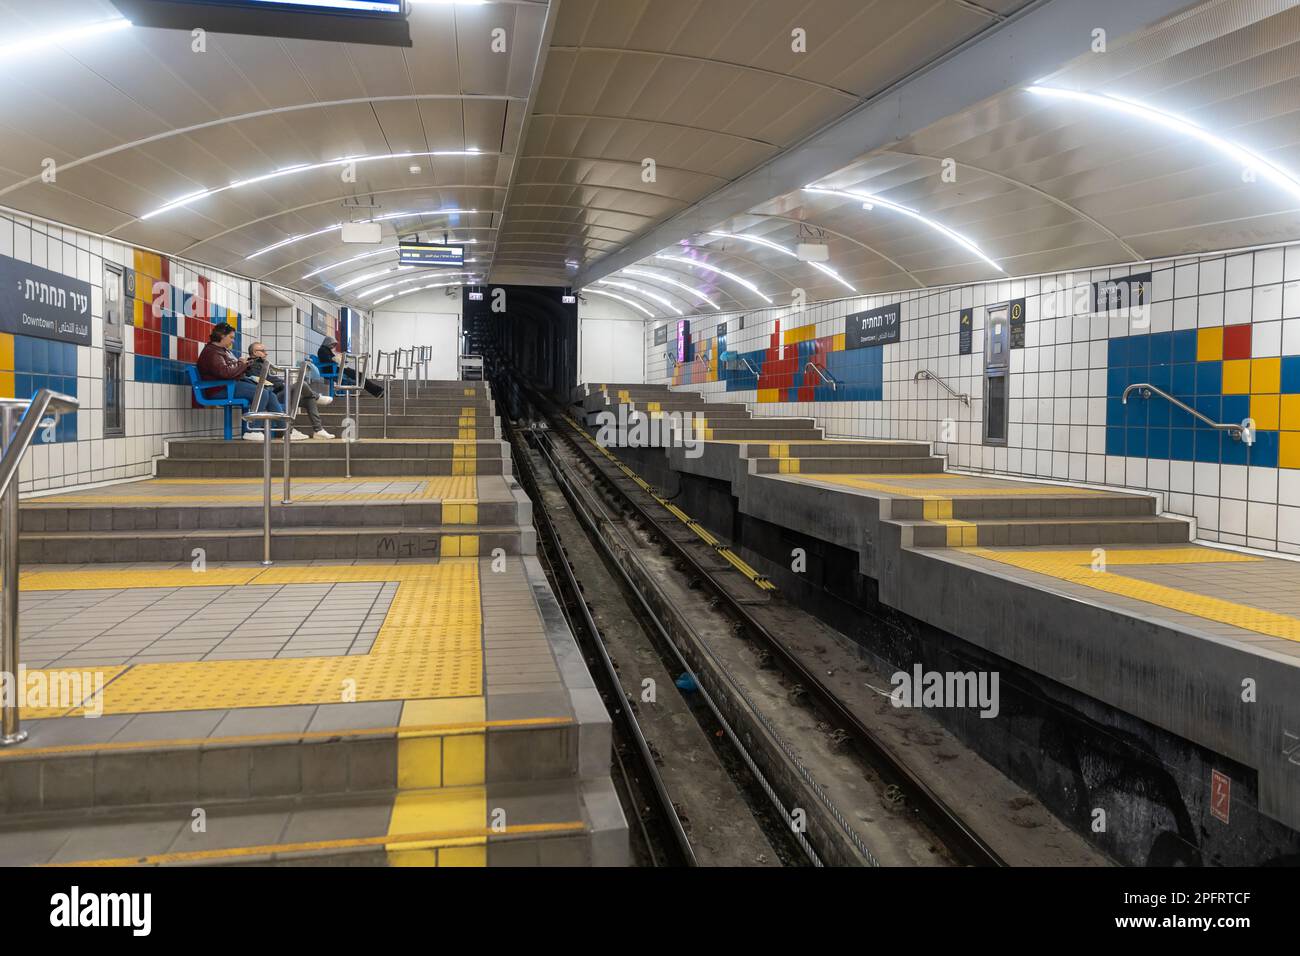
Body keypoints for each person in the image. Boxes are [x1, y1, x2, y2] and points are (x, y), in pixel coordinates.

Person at [197, 323, 301, 441]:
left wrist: (242, 363)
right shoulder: (212, 352)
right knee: (261, 393)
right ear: (222, 335)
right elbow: (226, 372)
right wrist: (242, 364)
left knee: (270, 394)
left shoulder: (220, 351)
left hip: (228, 386)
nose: (233, 341)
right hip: (220, 389)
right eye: (231, 337)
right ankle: (252, 430)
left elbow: (228, 369)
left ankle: (287, 430)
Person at [246, 342, 335, 439]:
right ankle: (317, 397)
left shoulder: (263, 364)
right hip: (273, 396)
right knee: (301, 384)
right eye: (263, 351)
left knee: (309, 400)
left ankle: (318, 430)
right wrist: (282, 384)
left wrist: (281, 383)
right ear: (254, 352)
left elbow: (272, 380)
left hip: (279, 393)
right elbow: (263, 381)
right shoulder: (253, 365)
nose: (266, 353)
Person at [318, 336, 384, 398]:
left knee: (360, 376)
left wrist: (340, 359)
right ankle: (377, 391)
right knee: (359, 376)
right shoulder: (322, 350)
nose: (333, 346)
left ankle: (377, 391)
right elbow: (330, 360)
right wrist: (338, 359)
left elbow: (332, 359)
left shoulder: (326, 350)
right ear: (328, 342)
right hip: (334, 369)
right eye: (332, 344)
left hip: (337, 368)